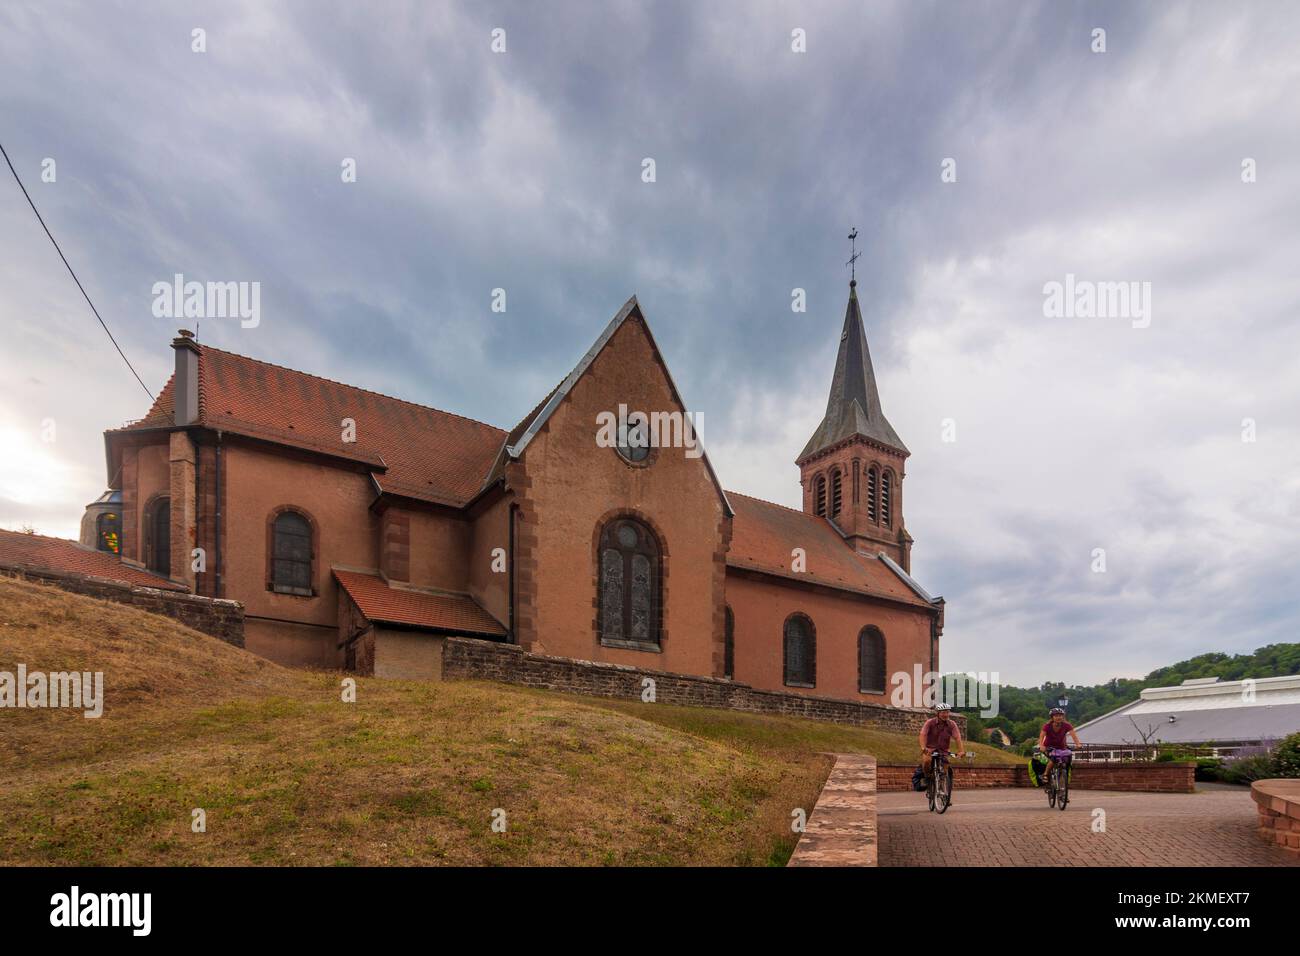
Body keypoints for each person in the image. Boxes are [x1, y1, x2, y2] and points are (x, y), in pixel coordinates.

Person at [918, 703, 965, 780]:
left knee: (946, 764)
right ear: (938, 713)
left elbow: (957, 738)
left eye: (947, 712)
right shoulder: (930, 722)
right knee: (927, 761)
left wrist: (961, 751)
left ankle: (943, 784)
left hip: (944, 750)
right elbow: (923, 735)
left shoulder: (952, 724)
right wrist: (923, 747)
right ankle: (926, 778)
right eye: (943, 712)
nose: (946, 715)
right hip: (930, 749)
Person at [1037, 706, 1082, 776]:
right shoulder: (1047, 726)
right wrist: (1041, 745)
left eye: (1060, 716)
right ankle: (1045, 774)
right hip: (1049, 747)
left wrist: (1078, 744)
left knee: (1068, 757)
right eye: (1056, 716)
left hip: (1061, 747)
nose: (1059, 717)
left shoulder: (1067, 725)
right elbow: (1041, 736)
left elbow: (1074, 736)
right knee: (1053, 760)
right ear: (1052, 717)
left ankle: (1065, 773)